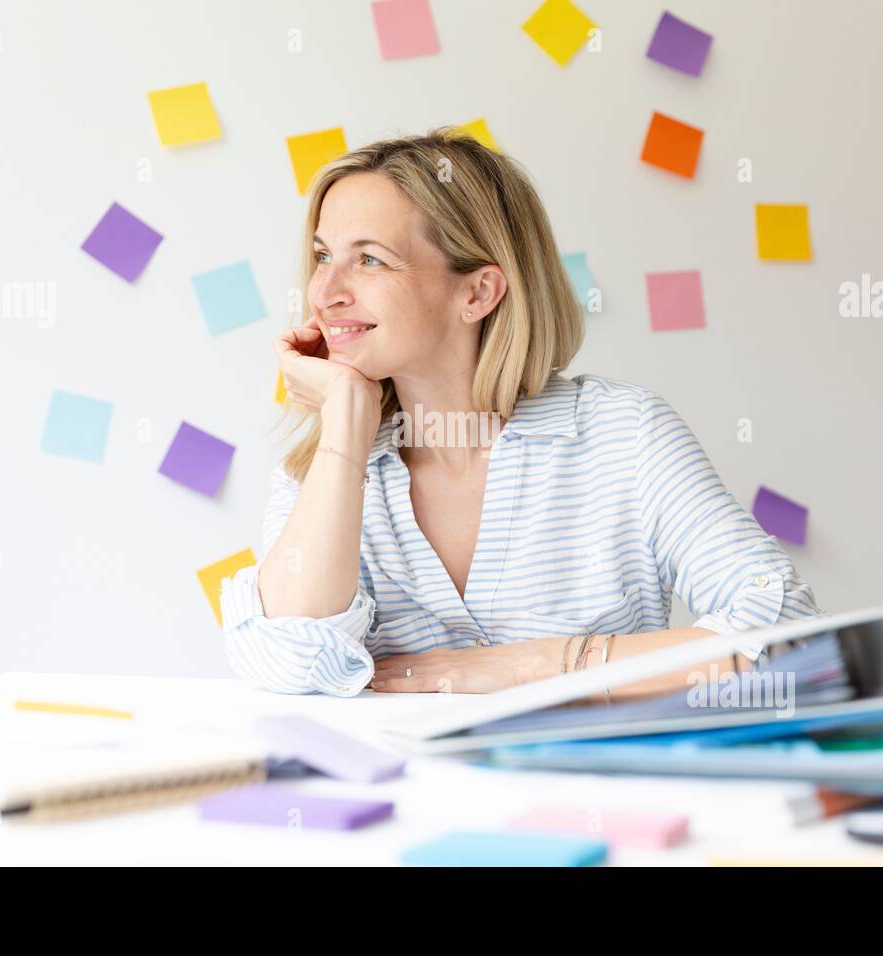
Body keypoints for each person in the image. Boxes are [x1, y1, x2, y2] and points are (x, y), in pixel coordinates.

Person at [221, 128, 823, 699]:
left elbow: (794, 641)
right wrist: (347, 423)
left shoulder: (624, 435)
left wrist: (538, 663)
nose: (326, 292)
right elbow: (288, 666)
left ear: (478, 292)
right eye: (324, 256)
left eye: (371, 260)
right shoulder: (325, 467)